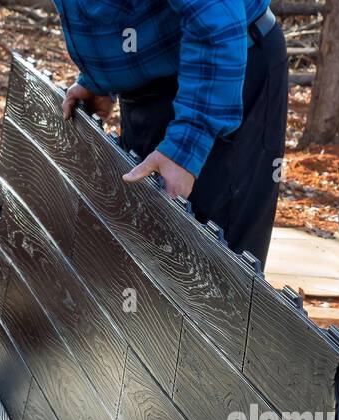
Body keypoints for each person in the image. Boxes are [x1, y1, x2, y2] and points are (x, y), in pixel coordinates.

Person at [51, 0, 288, 267]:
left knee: (209, 272)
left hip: (220, 80)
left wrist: (188, 145)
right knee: (149, 261)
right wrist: (98, 79)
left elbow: (216, 21)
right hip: (153, 88)